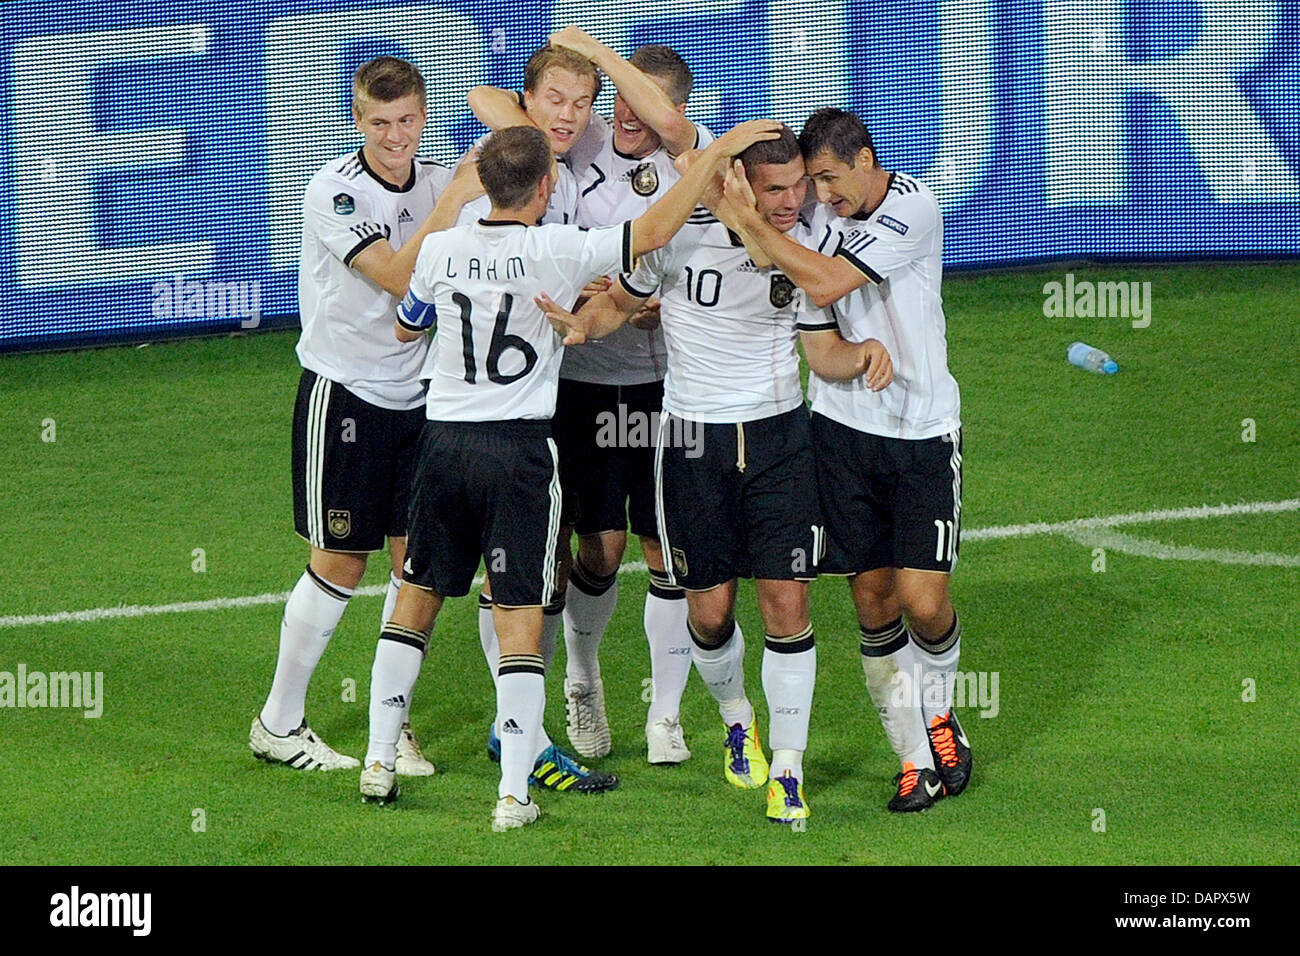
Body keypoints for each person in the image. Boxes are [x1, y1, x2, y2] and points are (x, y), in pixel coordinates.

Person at [358, 120, 782, 830]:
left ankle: (378, 762)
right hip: (518, 452)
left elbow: (407, 326)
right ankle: (514, 797)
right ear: (547, 186)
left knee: (415, 601)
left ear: (484, 186)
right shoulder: (555, 248)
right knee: (522, 618)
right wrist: (708, 157)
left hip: (442, 444)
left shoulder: (439, 248)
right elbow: (648, 233)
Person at [539, 126, 893, 823]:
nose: (796, 200)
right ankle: (737, 718)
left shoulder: (807, 245)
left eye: (800, 185)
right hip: (692, 444)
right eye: (777, 190)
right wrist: (584, 326)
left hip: (781, 439)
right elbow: (618, 300)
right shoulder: (681, 232)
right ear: (738, 186)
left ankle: (787, 769)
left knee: (787, 605)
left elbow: (821, 349)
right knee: (708, 612)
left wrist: (861, 357)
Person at [470, 28, 714, 765]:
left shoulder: (691, 160)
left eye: (650, 106)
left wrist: (658, 304)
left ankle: (665, 717)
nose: (628, 118)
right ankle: (581, 680)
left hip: (671, 385)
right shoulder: (580, 140)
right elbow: (488, 100)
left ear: (676, 112)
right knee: (597, 551)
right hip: (579, 385)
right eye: (622, 102)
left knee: (667, 550)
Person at [722, 107, 972, 812]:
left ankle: (940, 710)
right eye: (811, 181)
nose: (820, 195)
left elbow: (827, 283)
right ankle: (915, 760)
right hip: (841, 434)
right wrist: (855, 355)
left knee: (924, 602)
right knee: (870, 599)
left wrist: (758, 230)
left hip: (923, 434)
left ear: (864, 158)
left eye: (828, 178)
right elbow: (821, 335)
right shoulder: (817, 224)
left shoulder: (913, 208)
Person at [248, 58, 481, 774]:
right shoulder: (335, 192)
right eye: (379, 123)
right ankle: (278, 723)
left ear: (422, 115)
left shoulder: (443, 178)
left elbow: (510, 117)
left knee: (415, 569)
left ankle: (391, 725)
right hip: (345, 395)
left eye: (408, 120)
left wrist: (469, 169)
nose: (395, 136)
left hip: (422, 401)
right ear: (357, 122)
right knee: (341, 561)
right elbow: (400, 274)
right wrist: (456, 195)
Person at [462, 43, 623, 793]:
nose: (568, 114)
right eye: (553, 99)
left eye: (580, 102)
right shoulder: (492, 166)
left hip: (558, 392)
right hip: (495, 410)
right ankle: (509, 729)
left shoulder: (570, 165)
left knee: (569, 556)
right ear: (531, 101)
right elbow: (478, 92)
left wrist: (605, 298)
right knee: (507, 572)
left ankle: (541, 704)